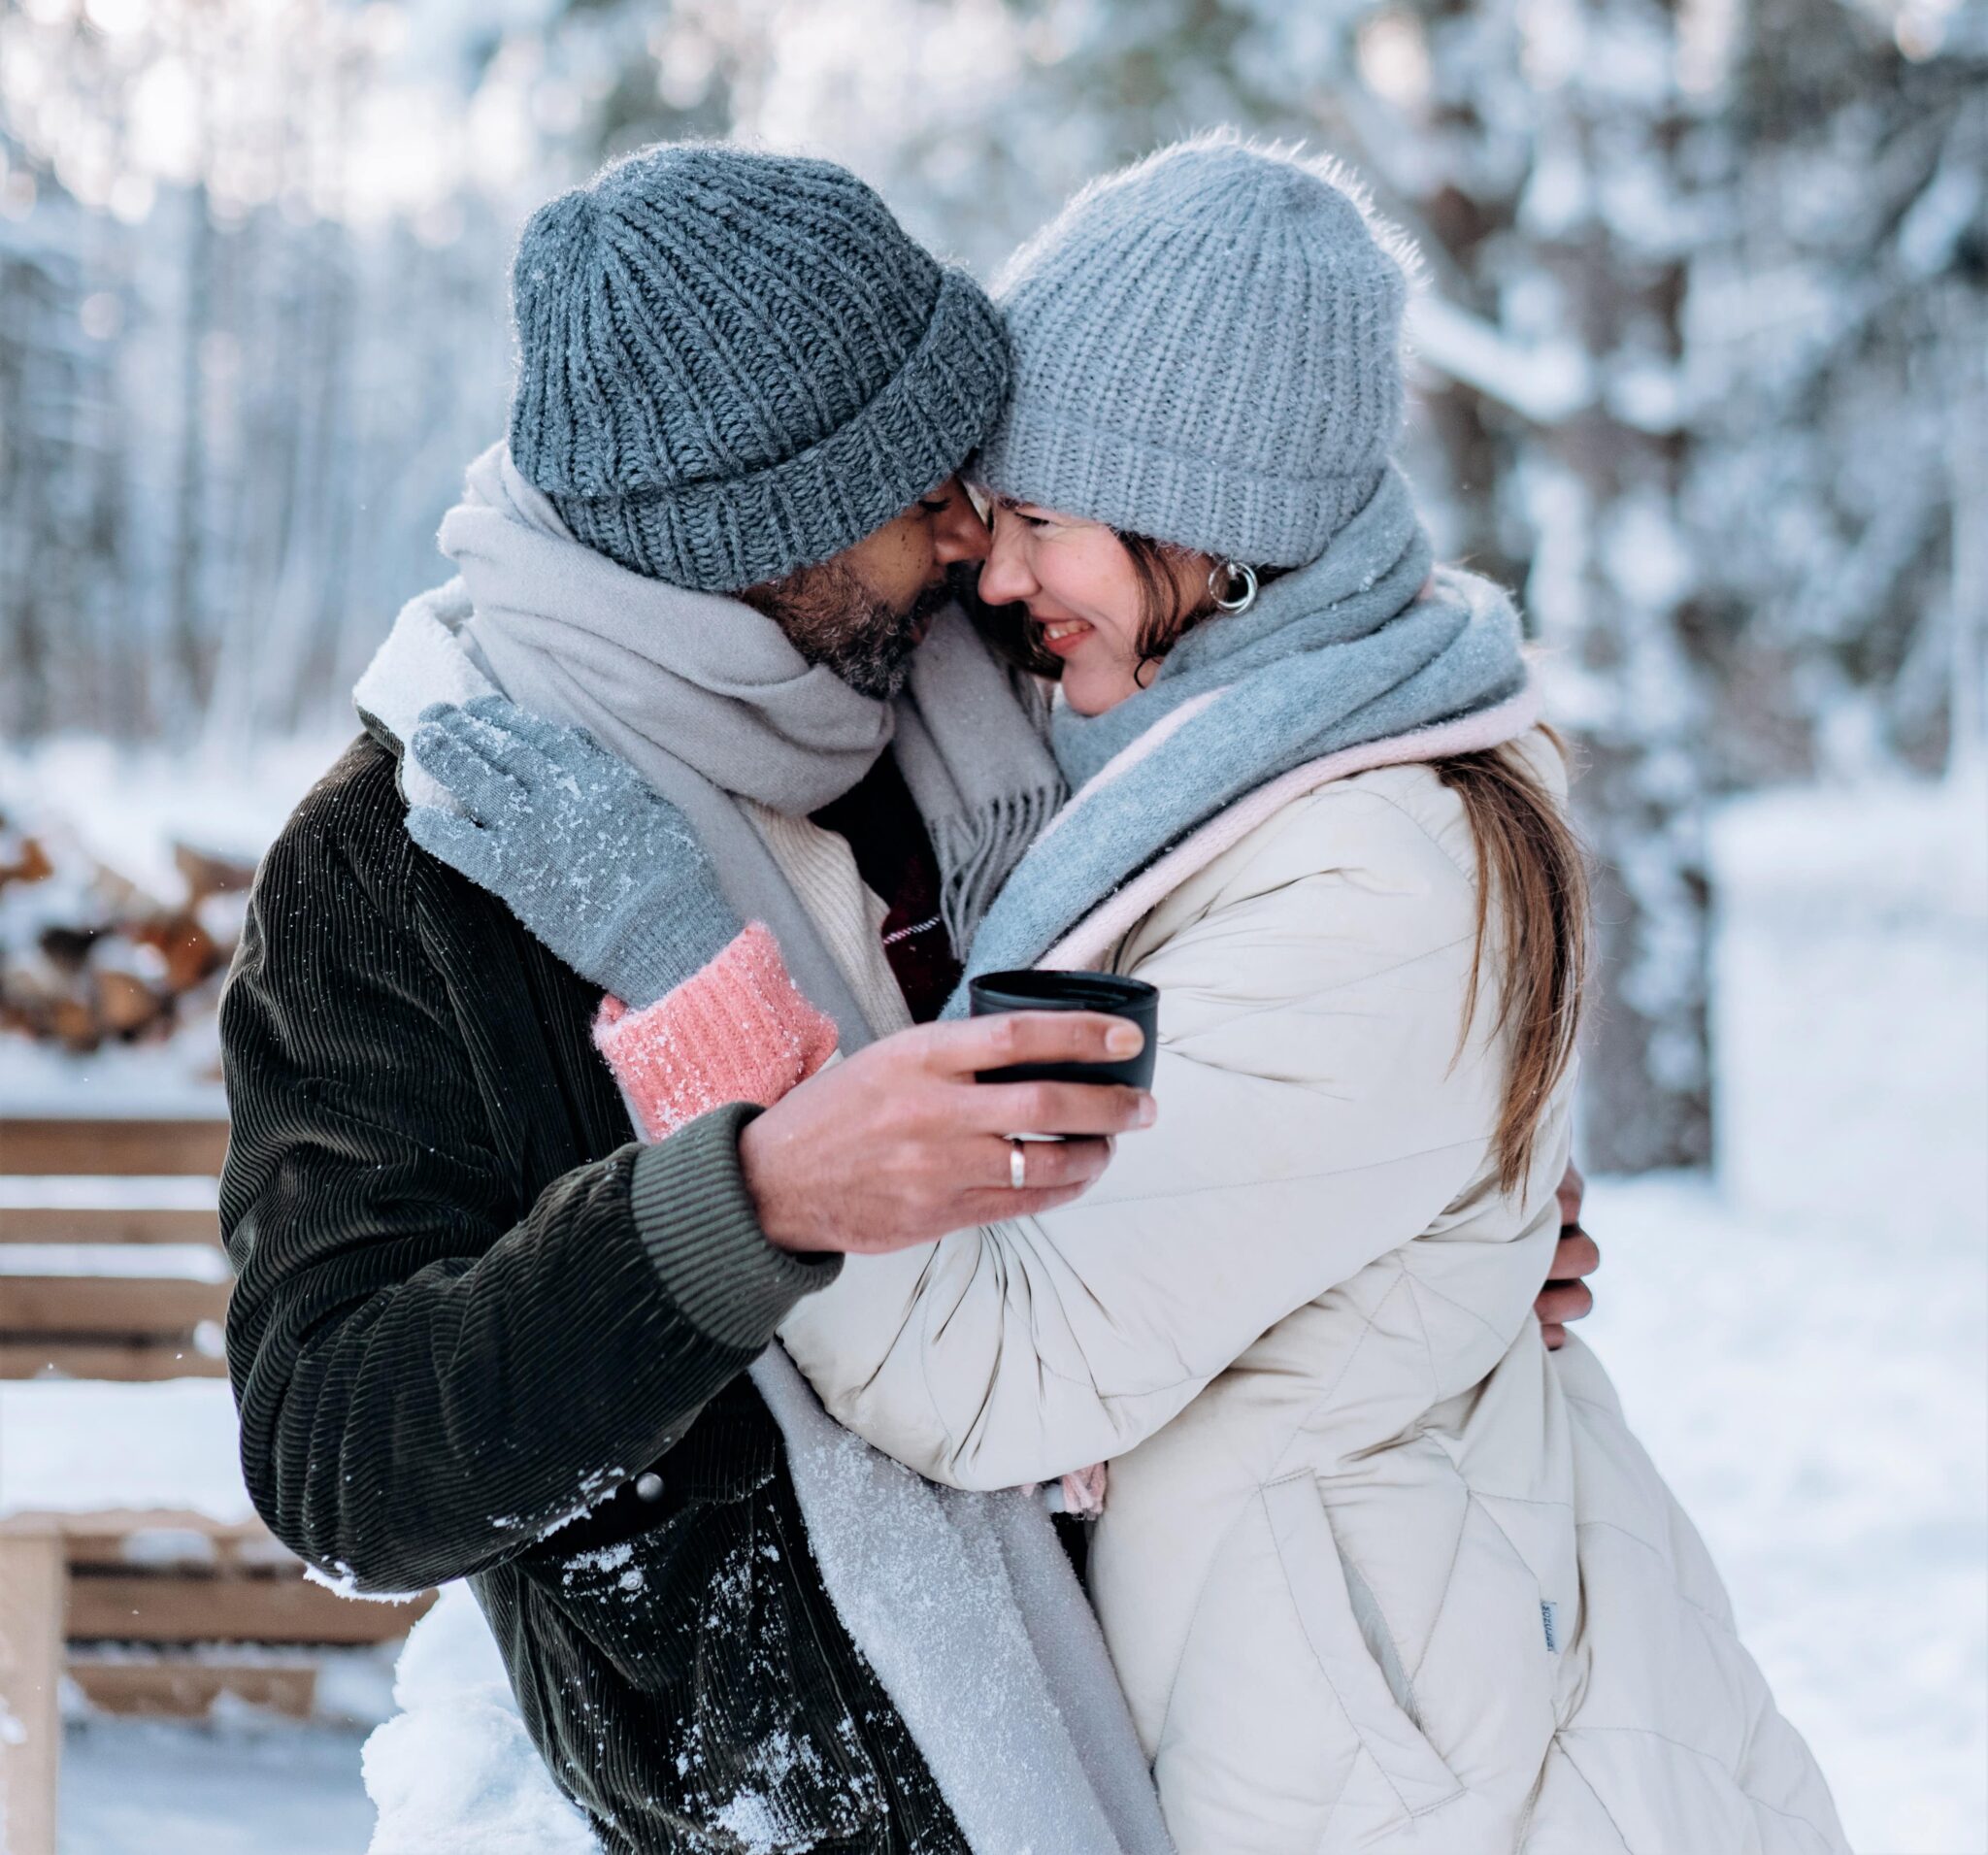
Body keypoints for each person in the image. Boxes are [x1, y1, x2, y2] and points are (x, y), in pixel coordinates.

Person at [421, 138, 1842, 1854]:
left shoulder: (1373, 877)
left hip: (1407, 1775)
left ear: (1213, 537)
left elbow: (996, 1372)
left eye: (1037, 520)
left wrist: (697, 987)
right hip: (1354, 1704)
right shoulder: (1221, 761)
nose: (988, 574)